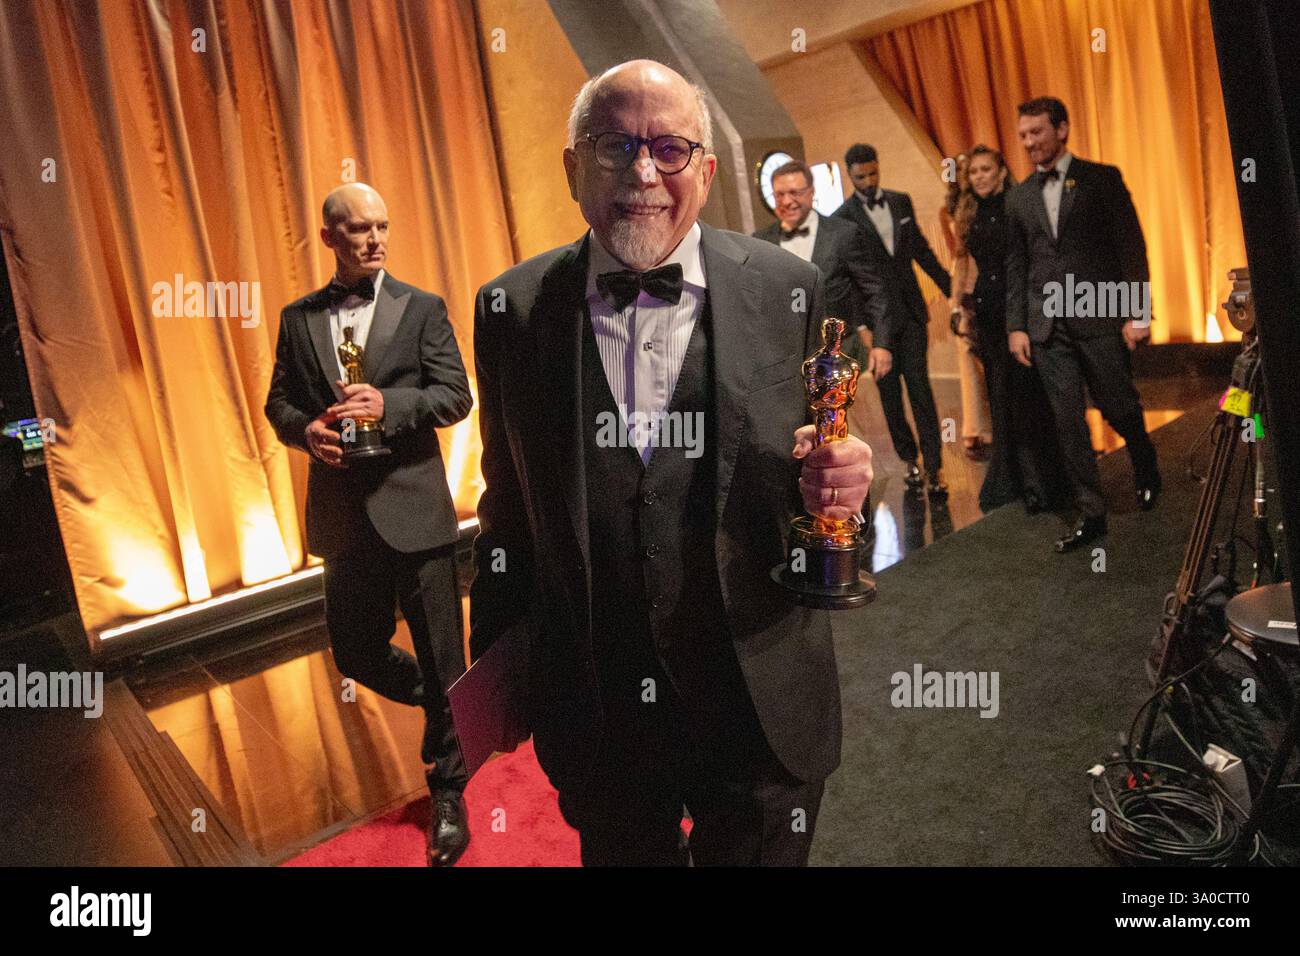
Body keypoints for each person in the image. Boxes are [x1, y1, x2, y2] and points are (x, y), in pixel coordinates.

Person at [469, 60, 873, 866]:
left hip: (758, 701)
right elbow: (508, 504)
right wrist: (498, 678)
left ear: (708, 168)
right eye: (616, 147)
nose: (644, 173)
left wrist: (845, 494)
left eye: (670, 148)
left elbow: (821, 461)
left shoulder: (790, 287)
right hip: (601, 712)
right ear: (572, 165)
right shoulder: (509, 310)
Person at [264, 183, 474, 865]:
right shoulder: (298, 320)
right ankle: (456, 710)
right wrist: (306, 433)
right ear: (329, 236)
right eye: (358, 228)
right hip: (343, 517)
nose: (375, 239)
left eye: (383, 225)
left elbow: (455, 396)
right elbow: (279, 403)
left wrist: (391, 404)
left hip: (415, 511)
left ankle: (449, 789)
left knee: (445, 655)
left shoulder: (422, 309)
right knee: (355, 653)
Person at [1004, 97, 1161, 553]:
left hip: (1099, 312)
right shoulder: (1019, 196)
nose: (1030, 142)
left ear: (1063, 129)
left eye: (1037, 132)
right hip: (1047, 327)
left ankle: (1145, 463)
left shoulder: (1101, 179)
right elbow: (1018, 265)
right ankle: (1092, 512)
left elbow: (1131, 246)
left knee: (1118, 404)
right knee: (1067, 419)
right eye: (1024, 135)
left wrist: (1139, 312)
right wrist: (1017, 325)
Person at [950, 145, 1065, 513]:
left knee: (1028, 394)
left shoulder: (1018, 207)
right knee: (999, 395)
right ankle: (1009, 479)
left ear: (1001, 172)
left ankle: (1042, 480)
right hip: (987, 310)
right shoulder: (966, 214)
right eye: (975, 172)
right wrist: (957, 306)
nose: (980, 177)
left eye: (987, 170)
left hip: (1020, 308)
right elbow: (961, 262)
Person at [835, 143, 952, 497]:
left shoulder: (900, 201)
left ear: (878, 167)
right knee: (890, 398)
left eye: (873, 173)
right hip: (875, 324)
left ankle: (934, 467)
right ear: (850, 175)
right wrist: (861, 327)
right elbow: (850, 280)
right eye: (861, 176)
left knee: (920, 388)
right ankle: (909, 460)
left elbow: (921, 251)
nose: (869, 181)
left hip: (912, 313)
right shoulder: (842, 218)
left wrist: (951, 289)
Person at [753, 159, 891, 382]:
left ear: (811, 192)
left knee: (851, 418)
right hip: (790, 364)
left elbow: (875, 291)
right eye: (779, 195)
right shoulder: (760, 242)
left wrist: (881, 345)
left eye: (794, 192)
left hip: (844, 355)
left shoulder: (843, 234)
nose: (787, 201)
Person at [940, 153, 992, 461]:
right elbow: (956, 254)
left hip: (986, 284)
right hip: (964, 286)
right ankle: (974, 430)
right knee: (969, 368)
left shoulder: (982, 204)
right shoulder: (948, 211)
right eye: (958, 170)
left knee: (989, 366)